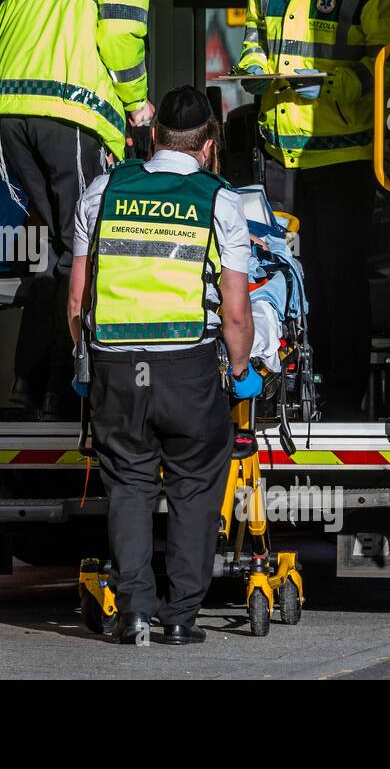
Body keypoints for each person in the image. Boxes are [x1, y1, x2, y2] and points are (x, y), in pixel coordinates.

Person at [67, 86, 257, 646]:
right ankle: (180, 617)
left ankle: (136, 615)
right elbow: (237, 312)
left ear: (153, 137)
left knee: (128, 483)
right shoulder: (221, 202)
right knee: (197, 484)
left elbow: (77, 302)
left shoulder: (102, 191)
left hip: (118, 371)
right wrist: (242, 372)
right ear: (207, 145)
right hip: (188, 370)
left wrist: (86, 367)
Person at [0, 0, 164, 420]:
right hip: (72, 110)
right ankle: (67, 394)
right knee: (83, 249)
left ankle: (26, 382)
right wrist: (138, 105)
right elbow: (120, 34)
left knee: (53, 251)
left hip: (10, 112)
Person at [236, 0, 390, 419]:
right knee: (275, 278)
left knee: (338, 283)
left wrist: (329, 84)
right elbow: (255, 41)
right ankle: (282, 392)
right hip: (279, 154)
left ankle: (344, 398)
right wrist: (254, 72)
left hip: (341, 160)